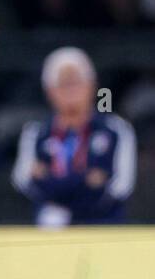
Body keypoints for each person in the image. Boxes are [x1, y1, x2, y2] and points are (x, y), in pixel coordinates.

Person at [12, 47, 136, 226]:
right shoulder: (35, 132)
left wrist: (53, 184)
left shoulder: (116, 129)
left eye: (77, 81)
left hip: (103, 226)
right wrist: (86, 181)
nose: (70, 90)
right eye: (62, 83)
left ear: (92, 85)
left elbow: (121, 186)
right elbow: (24, 180)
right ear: (49, 90)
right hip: (49, 229)